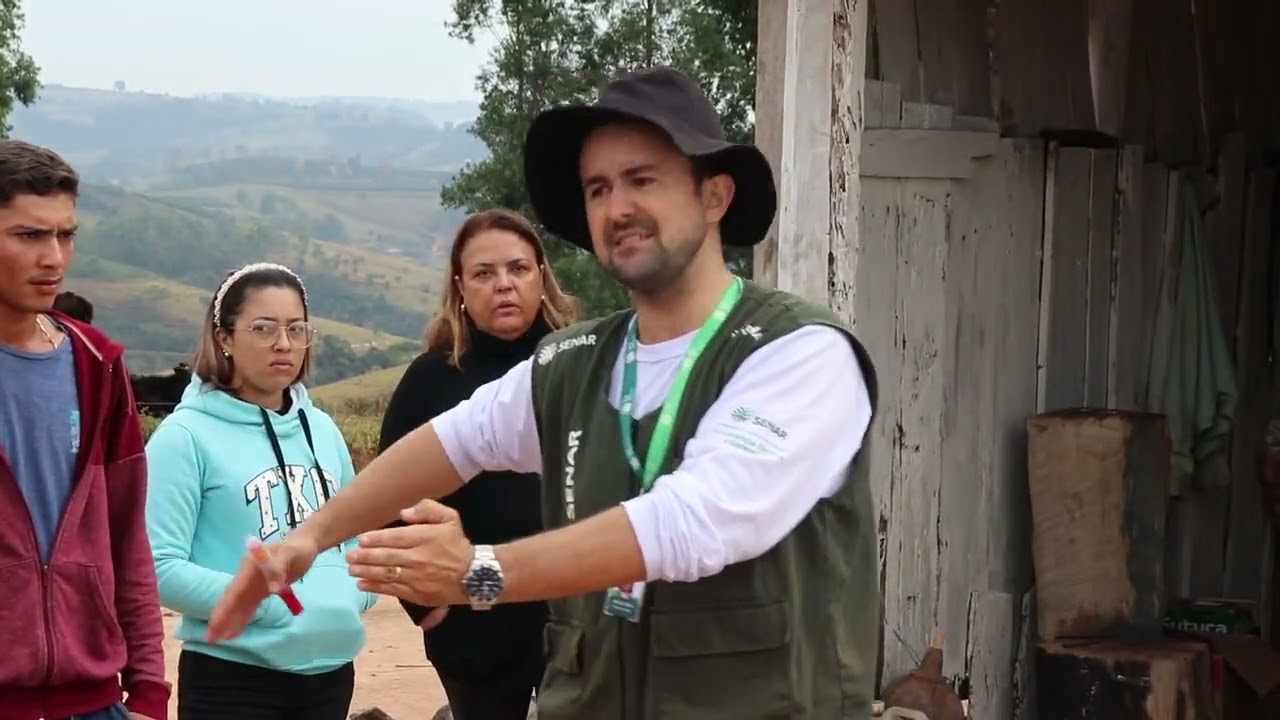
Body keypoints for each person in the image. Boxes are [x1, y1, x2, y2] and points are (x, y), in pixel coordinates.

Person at [210, 66, 880, 718]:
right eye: (597, 188)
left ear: (714, 196)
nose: (618, 207)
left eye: (643, 179)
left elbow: (693, 523)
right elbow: (454, 440)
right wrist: (307, 539)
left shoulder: (799, 352)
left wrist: (479, 571)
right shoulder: (574, 361)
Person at [144, 262, 377, 720]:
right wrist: (262, 605)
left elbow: (356, 536)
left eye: (296, 328)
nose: (284, 343)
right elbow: (157, 566)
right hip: (235, 679)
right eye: (264, 328)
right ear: (225, 337)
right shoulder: (184, 436)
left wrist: (350, 598)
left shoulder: (323, 430)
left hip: (331, 674)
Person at [378, 208, 578, 720]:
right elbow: (388, 501)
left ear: (541, 276)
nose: (504, 285)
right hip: (476, 621)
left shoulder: (582, 364)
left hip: (580, 611)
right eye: (485, 274)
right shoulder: (430, 381)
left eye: (518, 269)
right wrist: (426, 605)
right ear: (460, 287)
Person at [0, 139, 169, 719]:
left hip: (95, 702)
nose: (54, 257)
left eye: (65, 235)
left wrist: (148, 690)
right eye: (29, 235)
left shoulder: (97, 363)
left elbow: (127, 537)